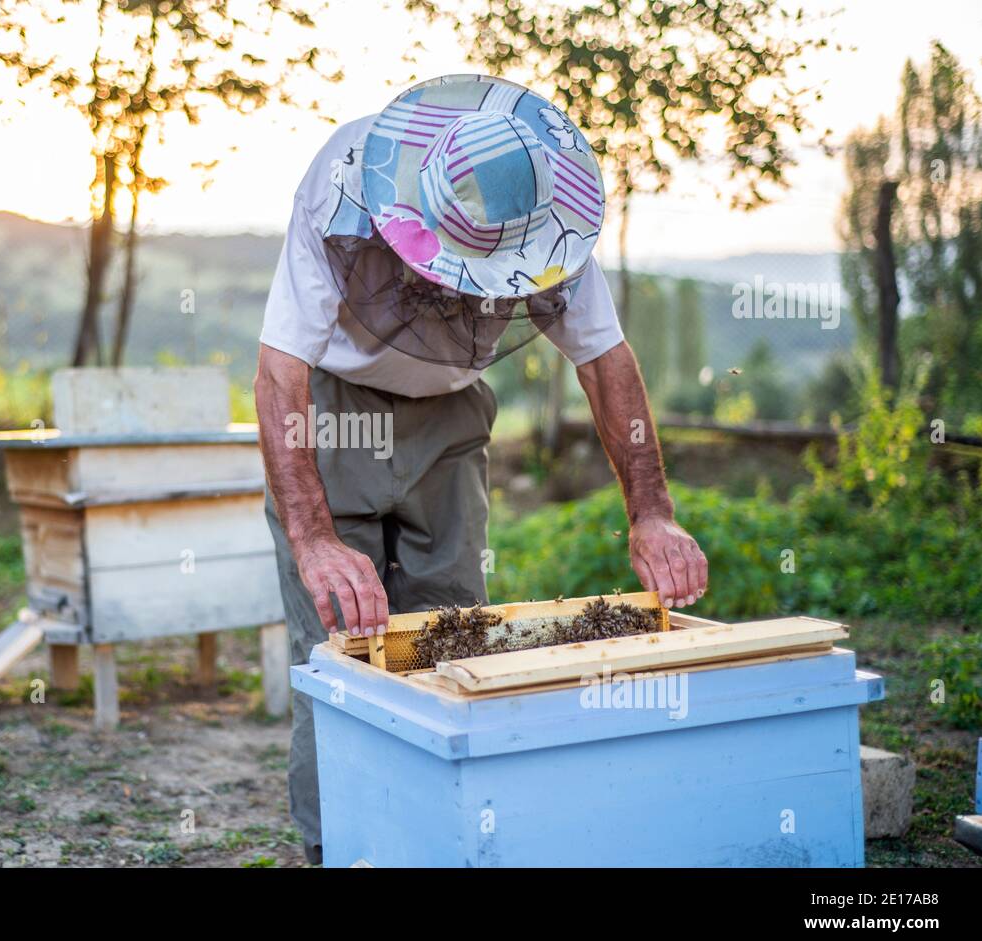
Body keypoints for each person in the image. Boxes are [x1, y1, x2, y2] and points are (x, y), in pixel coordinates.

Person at [254, 74, 708, 865]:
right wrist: (314, 534)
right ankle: (340, 848)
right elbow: (279, 373)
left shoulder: (544, 216)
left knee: (454, 637)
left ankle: (447, 839)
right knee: (337, 653)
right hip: (329, 416)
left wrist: (652, 510)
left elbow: (607, 363)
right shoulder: (340, 186)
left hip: (451, 427)